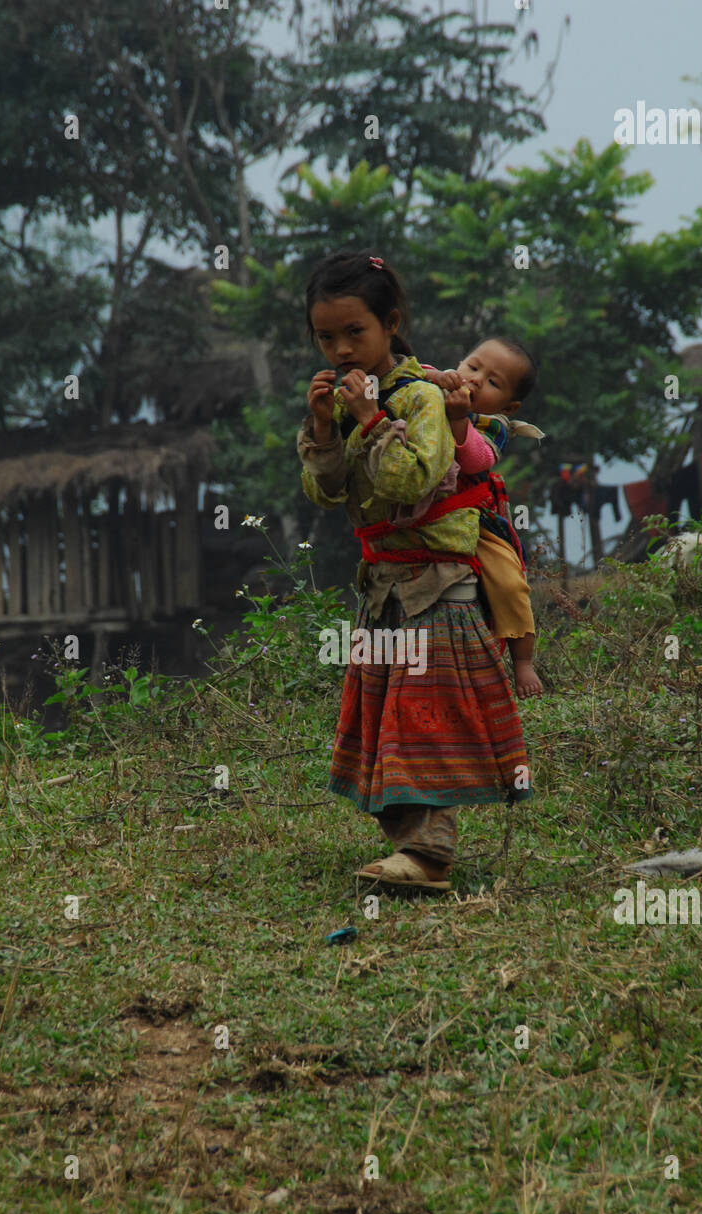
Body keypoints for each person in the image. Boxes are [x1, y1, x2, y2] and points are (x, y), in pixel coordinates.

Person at [297, 247, 531, 894]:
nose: (341, 349)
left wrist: (370, 419)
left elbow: (410, 480)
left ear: (391, 324)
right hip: (382, 588)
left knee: (420, 717)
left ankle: (429, 854)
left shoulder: (421, 398)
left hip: (435, 585)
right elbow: (325, 493)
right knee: (382, 719)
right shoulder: (346, 401)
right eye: (326, 337)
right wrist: (324, 428)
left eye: (355, 332)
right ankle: (411, 844)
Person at [421, 341, 544, 698]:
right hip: (420, 514)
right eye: (473, 367)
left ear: (509, 406)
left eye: (492, 382)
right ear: (459, 363)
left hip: (474, 521)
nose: (475, 380)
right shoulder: (432, 390)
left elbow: (476, 460)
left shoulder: (494, 425)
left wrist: (459, 420)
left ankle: (522, 660)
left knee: (510, 584)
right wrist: (434, 377)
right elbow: (408, 374)